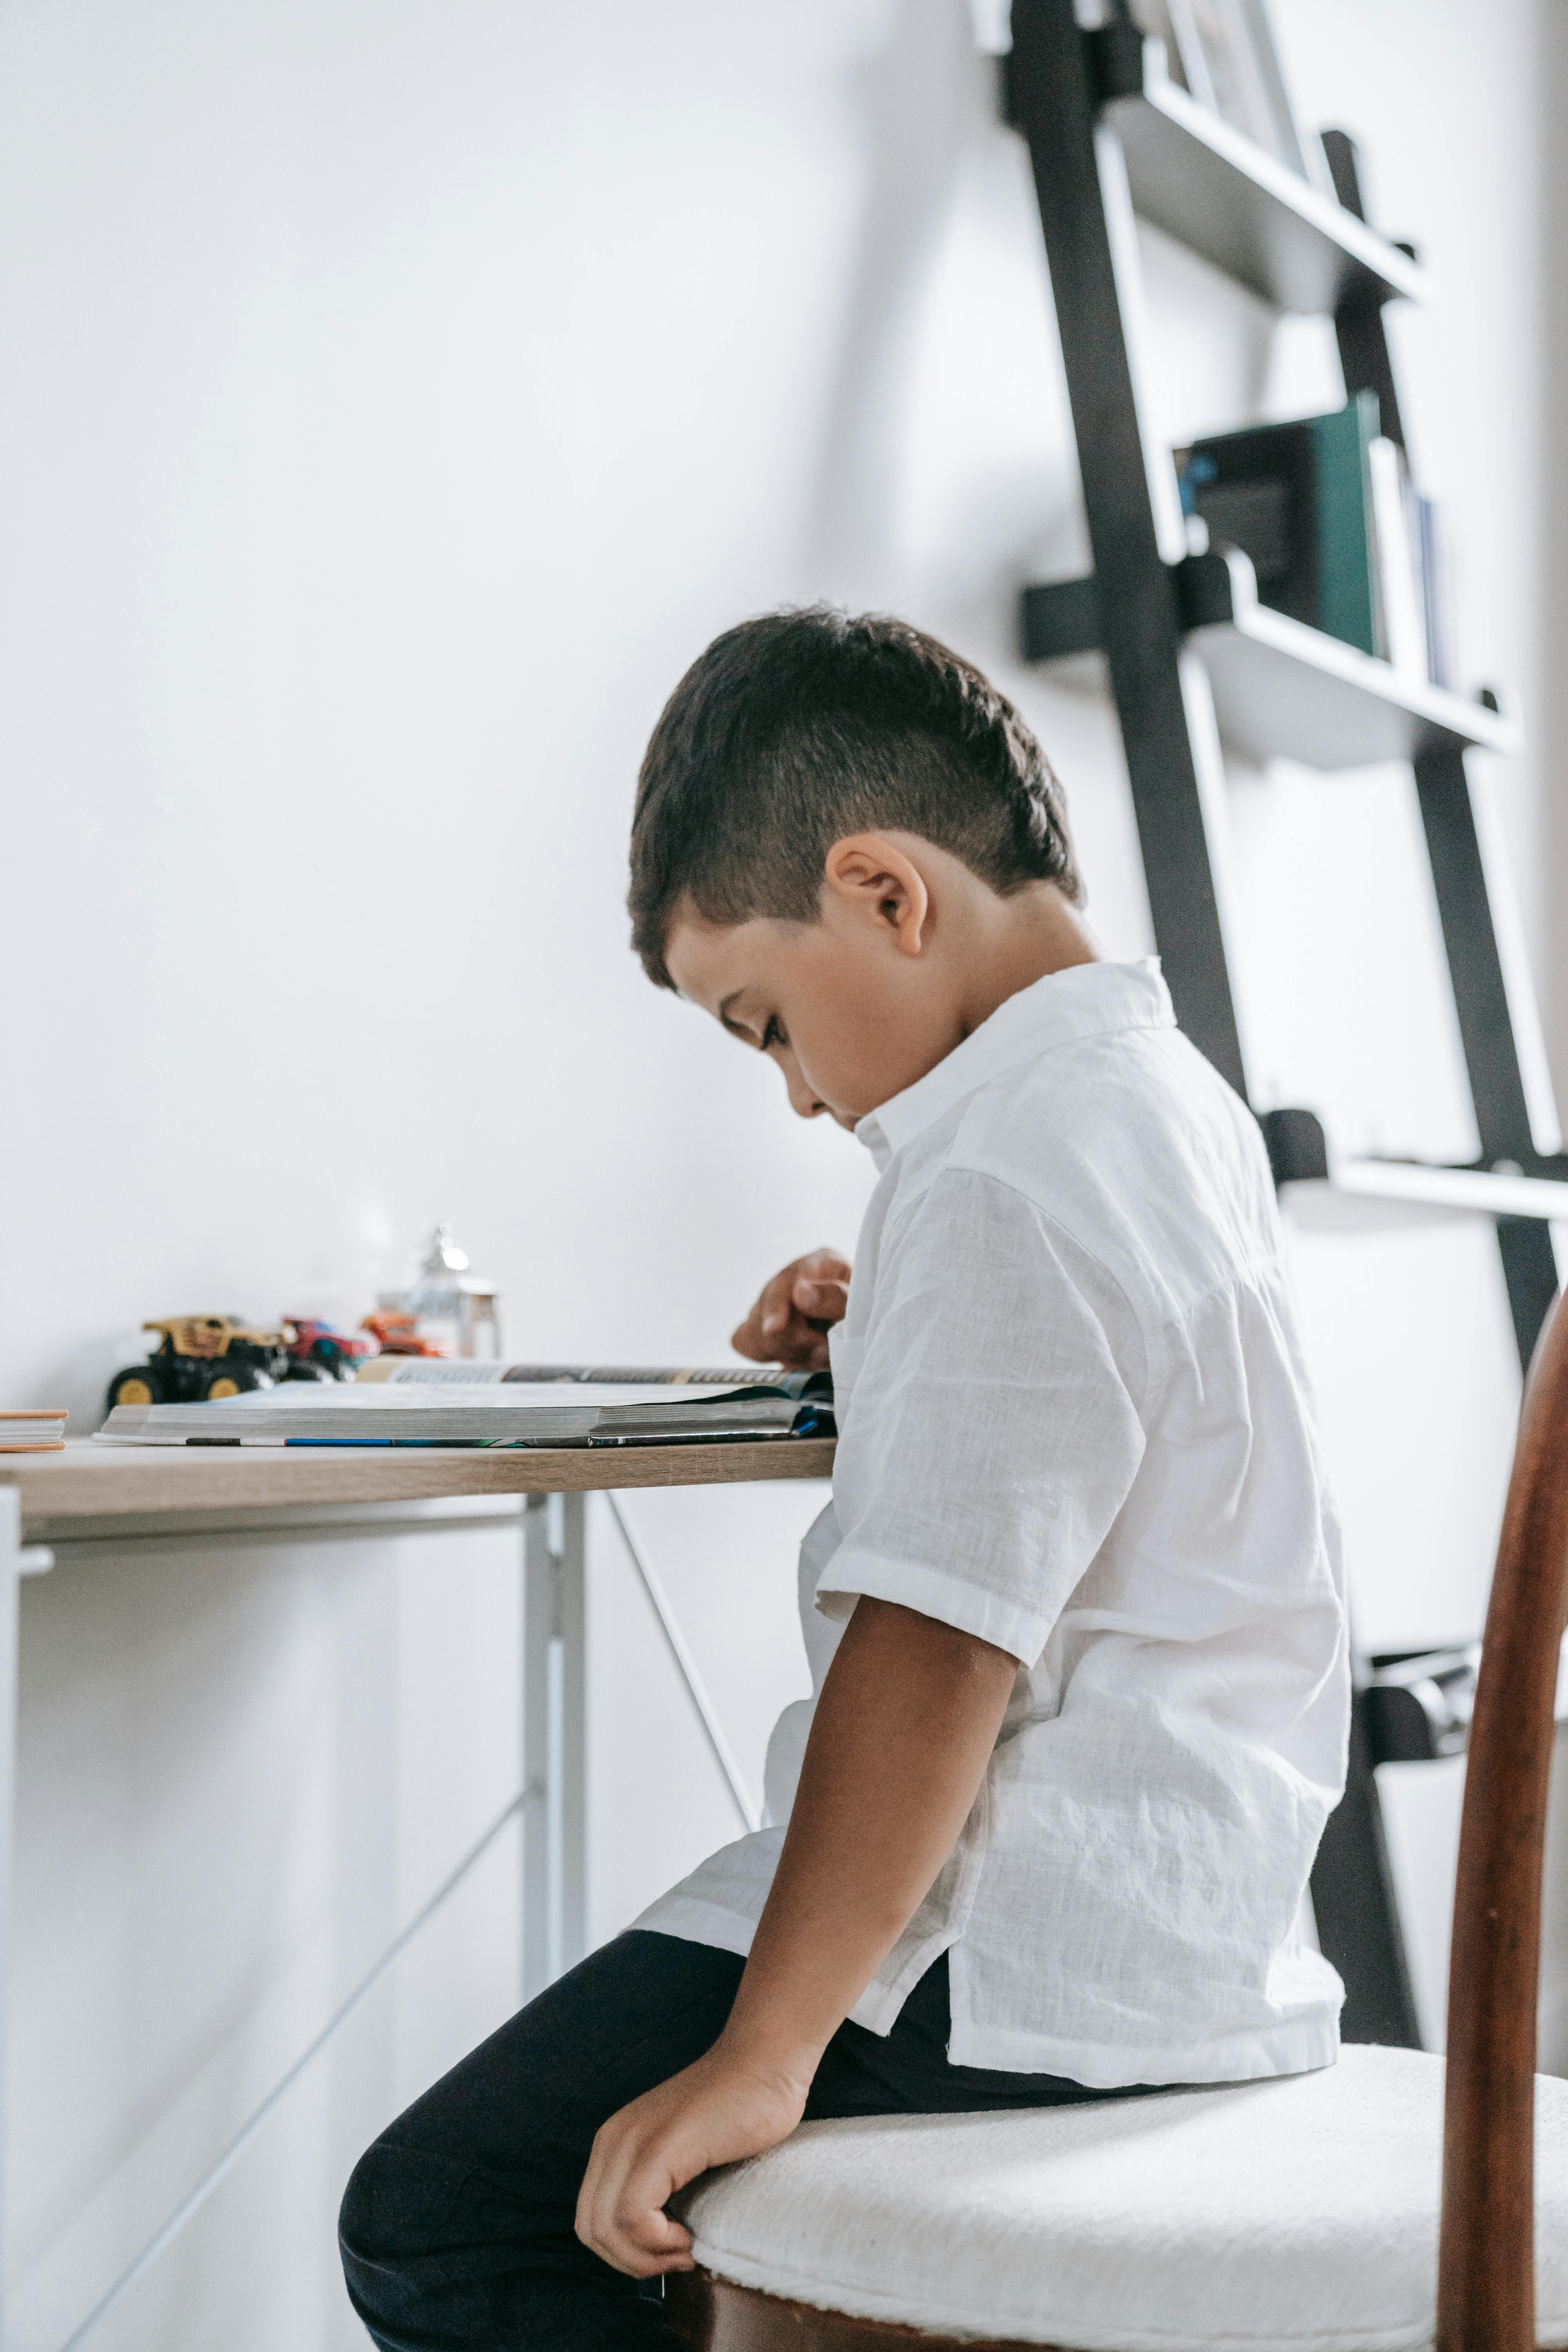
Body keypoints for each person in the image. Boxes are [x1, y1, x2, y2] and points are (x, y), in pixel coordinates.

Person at [339, 607, 1349, 2349]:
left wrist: (767, 2051)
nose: (800, 1098)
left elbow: (936, 1649)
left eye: (766, 1024)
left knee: (442, 2216)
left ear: (884, 892)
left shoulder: (998, 1168)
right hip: (1194, 1924)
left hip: (1021, 1951)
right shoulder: (1154, 1101)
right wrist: (890, 1342)